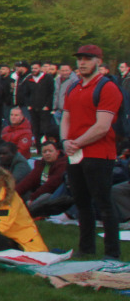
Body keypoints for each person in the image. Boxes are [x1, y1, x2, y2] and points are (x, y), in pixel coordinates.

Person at [61, 44, 122, 259]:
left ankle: (112, 253)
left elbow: (102, 126)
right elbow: (66, 116)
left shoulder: (107, 87)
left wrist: (75, 142)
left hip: (98, 153)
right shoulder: (73, 87)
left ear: (98, 61)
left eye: (88, 58)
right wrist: (65, 140)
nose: (82, 62)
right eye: (80, 58)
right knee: (81, 202)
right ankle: (86, 249)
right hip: (76, 152)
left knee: (104, 203)